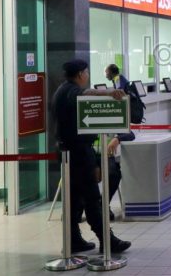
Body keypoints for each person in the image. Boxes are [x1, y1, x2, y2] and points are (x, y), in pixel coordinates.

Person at [50, 59, 131, 254]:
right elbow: (85, 94)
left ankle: (74, 240)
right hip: (77, 152)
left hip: (70, 151)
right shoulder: (71, 90)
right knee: (92, 198)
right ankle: (107, 240)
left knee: (74, 199)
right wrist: (108, 92)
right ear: (80, 74)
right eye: (86, 73)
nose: (87, 76)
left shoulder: (63, 89)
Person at [103, 65, 138, 218]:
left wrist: (117, 138)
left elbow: (130, 134)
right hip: (89, 155)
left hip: (106, 156)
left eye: (106, 72)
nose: (105, 74)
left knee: (114, 173)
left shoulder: (119, 80)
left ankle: (102, 204)